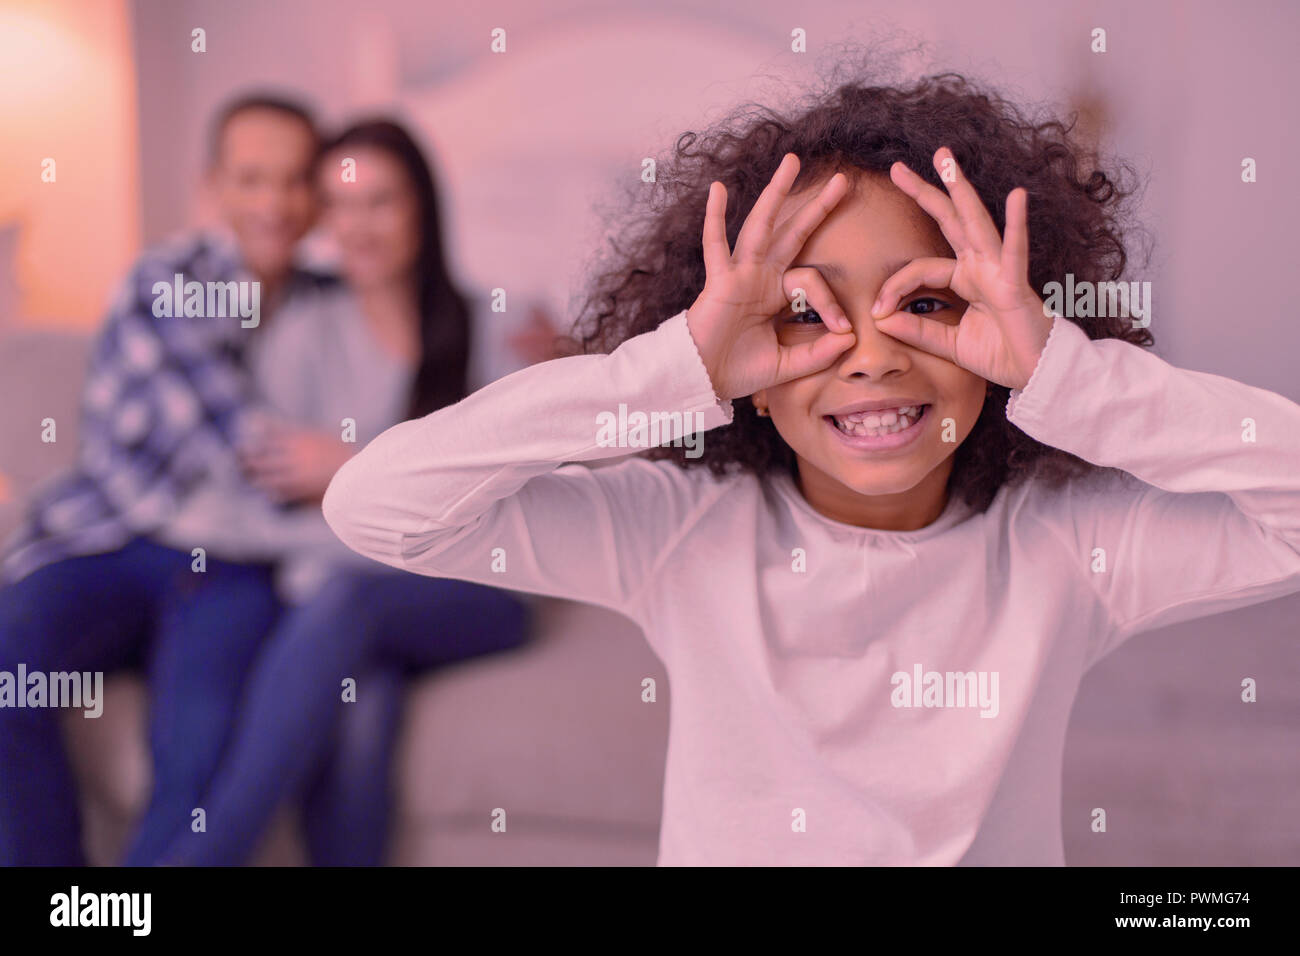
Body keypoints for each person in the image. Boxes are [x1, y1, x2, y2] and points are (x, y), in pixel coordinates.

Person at [320, 66, 1300, 865]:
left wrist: (1061, 373)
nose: (871, 355)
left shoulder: (1069, 546)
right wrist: (672, 369)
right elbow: (376, 505)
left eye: (928, 301)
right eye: (804, 312)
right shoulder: (679, 532)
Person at [158, 120, 532, 866]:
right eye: (339, 205)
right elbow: (264, 507)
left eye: (381, 202)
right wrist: (391, 499)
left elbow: (507, 499)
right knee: (365, 697)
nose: (357, 228)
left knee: (348, 597)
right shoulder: (303, 331)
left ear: (423, 206)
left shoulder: (499, 324)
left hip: (482, 588)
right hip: (353, 605)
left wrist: (352, 469)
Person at [0, 93, 330, 866]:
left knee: (197, 750)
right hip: (116, 539)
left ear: (318, 192)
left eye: (295, 180)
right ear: (213, 188)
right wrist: (333, 481)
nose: (275, 204)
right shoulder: (167, 282)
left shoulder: (333, 304)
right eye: (252, 179)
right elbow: (252, 461)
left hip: (232, 571)